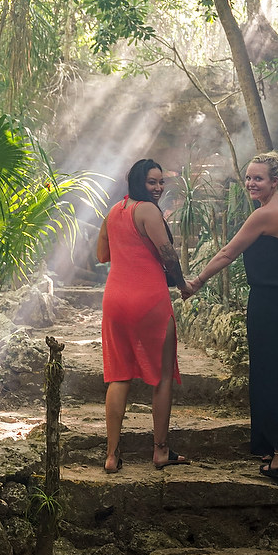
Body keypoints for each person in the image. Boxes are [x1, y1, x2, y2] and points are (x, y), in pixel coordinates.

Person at [183, 151, 278, 480]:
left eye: (258, 178)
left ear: (275, 181)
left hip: (270, 302)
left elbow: (229, 252)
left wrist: (197, 281)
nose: (250, 183)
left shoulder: (263, 215)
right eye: (248, 177)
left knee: (266, 375)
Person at [96, 158, 193, 472]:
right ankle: (161, 450)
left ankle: (112, 456)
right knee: (162, 376)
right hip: (149, 300)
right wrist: (182, 285)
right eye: (152, 182)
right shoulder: (149, 211)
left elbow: (101, 254)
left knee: (118, 375)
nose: (158, 187)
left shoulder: (115, 211)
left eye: (161, 182)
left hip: (115, 300)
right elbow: (168, 254)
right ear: (138, 181)